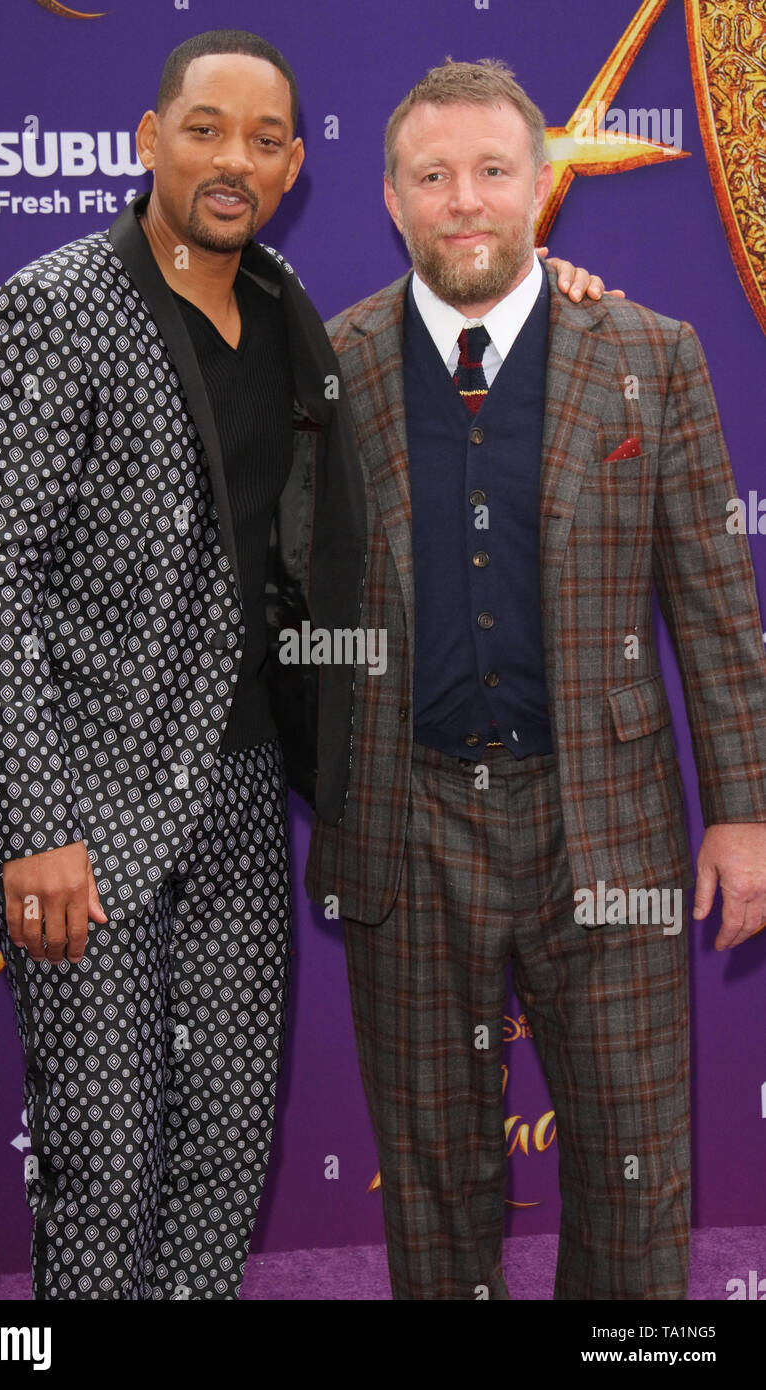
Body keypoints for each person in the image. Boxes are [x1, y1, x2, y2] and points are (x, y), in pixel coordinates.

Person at [0, 30, 608, 1300]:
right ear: (148, 142)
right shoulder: (51, 309)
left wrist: (545, 289)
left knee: (227, 1149)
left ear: (295, 164)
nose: (231, 161)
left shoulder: (291, 312)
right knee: (99, 1161)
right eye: (204, 130)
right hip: (84, 809)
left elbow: (449, 322)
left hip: (243, 798)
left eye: (261, 140)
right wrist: (33, 828)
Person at [306, 58, 766, 1301]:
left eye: (492, 171)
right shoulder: (330, 365)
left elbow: (716, 605)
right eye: (432, 176)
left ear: (541, 189)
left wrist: (742, 812)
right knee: (433, 1169)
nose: (464, 200)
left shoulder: (649, 356)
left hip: (605, 822)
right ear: (392, 199)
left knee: (634, 1167)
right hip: (403, 828)